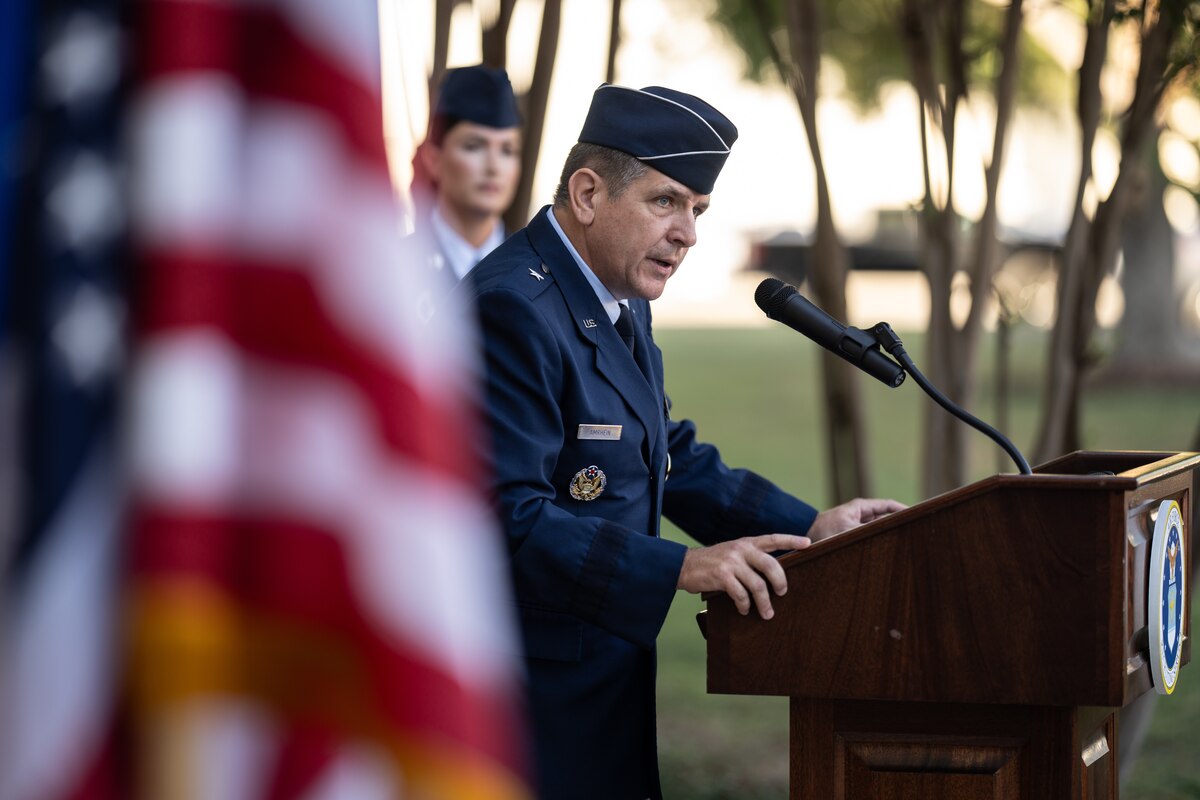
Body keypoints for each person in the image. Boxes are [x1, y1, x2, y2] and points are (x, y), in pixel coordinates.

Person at [454, 83, 904, 800]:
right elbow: (505, 517)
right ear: (588, 192)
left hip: (601, 674)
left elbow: (664, 450)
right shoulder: (513, 308)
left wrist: (810, 527)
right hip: (525, 695)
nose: (689, 233)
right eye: (666, 201)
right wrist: (679, 567)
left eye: (697, 210)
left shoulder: (610, 292)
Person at [410, 64, 522, 287]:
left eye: (507, 151)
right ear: (433, 160)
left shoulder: (531, 273)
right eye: (474, 146)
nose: (494, 167)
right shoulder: (394, 267)